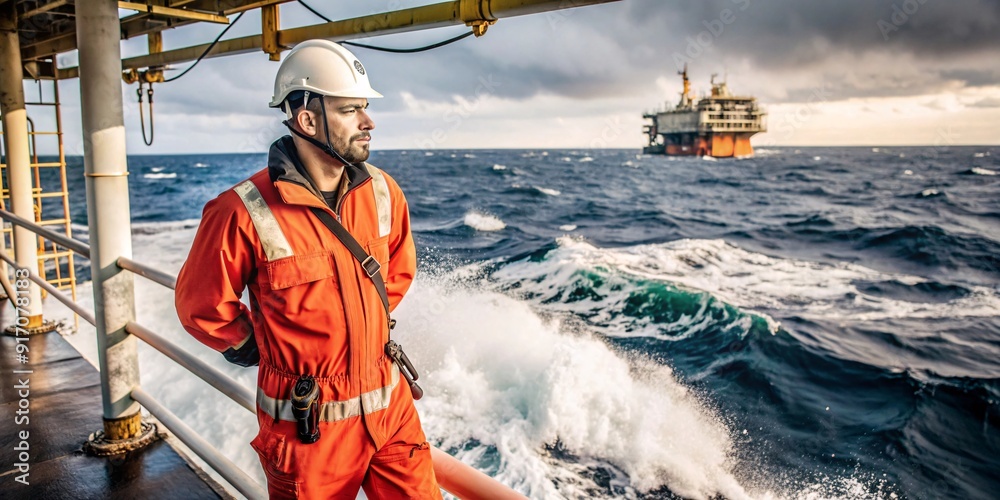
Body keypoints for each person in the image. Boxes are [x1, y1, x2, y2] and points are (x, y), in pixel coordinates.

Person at [175, 39, 440, 499]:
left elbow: (396, 273)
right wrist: (264, 345)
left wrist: (353, 333)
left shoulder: (383, 191)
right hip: (308, 427)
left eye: (365, 108)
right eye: (350, 110)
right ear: (307, 118)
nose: (368, 122)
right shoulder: (241, 211)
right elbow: (201, 305)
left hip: (389, 406)